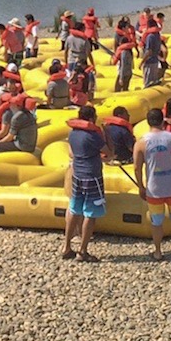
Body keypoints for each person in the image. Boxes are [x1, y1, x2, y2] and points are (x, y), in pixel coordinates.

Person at [133, 108, 171, 260]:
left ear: (147, 122)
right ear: (163, 121)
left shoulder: (141, 142)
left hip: (155, 188)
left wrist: (140, 186)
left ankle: (158, 251)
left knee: (156, 221)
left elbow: (137, 167)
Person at [63, 105, 108, 262]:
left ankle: (66, 246)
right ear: (91, 118)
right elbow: (109, 153)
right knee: (91, 213)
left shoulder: (73, 133)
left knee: (74, 209)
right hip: (92, 176)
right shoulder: (93, 136)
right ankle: (83, 251)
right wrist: (106, 133)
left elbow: (72, 153)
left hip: (78, 175)